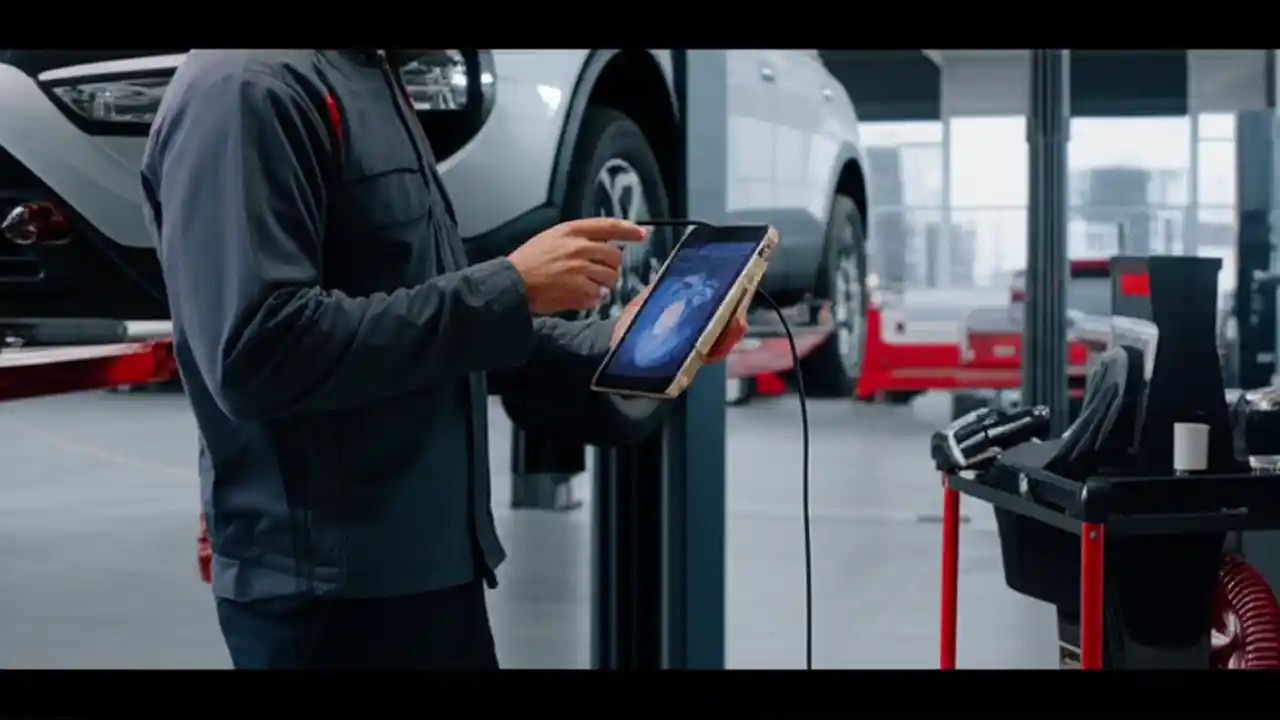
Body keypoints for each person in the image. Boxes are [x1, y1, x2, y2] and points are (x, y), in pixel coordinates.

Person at [139, 49, 746, 670]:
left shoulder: (371, 76)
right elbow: (256, 352)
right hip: (330, 599)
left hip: (427, 572)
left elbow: (431, 325)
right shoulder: (246, 88)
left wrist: (616, 344)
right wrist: (510, 288)